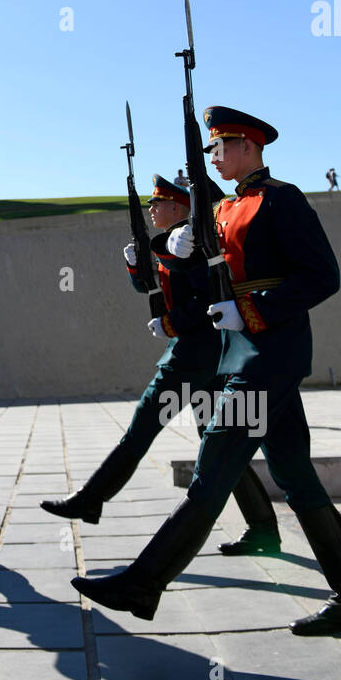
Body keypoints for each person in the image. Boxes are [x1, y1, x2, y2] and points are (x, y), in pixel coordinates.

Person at [72, 108, 341, 636]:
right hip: (243, 353)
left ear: (248, 145)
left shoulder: (280, 199)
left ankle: (144, 581)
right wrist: (157, 252)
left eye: (220, 148)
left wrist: (254, 308)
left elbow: (323, 277)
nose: (213, 158)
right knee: (295, 475)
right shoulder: (226, 207)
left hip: (269, 356)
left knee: (214, 465)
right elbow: (194, 256)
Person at [42, 175, 279, 554]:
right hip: (202, 356)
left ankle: (92, 497)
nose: (152, 210)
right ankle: (263, 527)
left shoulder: (192, 243)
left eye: (159, 203)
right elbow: (154, 289)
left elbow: (206, 298)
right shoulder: (173, 243)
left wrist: (171, 323)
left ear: (179, 207)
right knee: (217, 447)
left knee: (142, 426)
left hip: (194, 354)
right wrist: (136, 267)